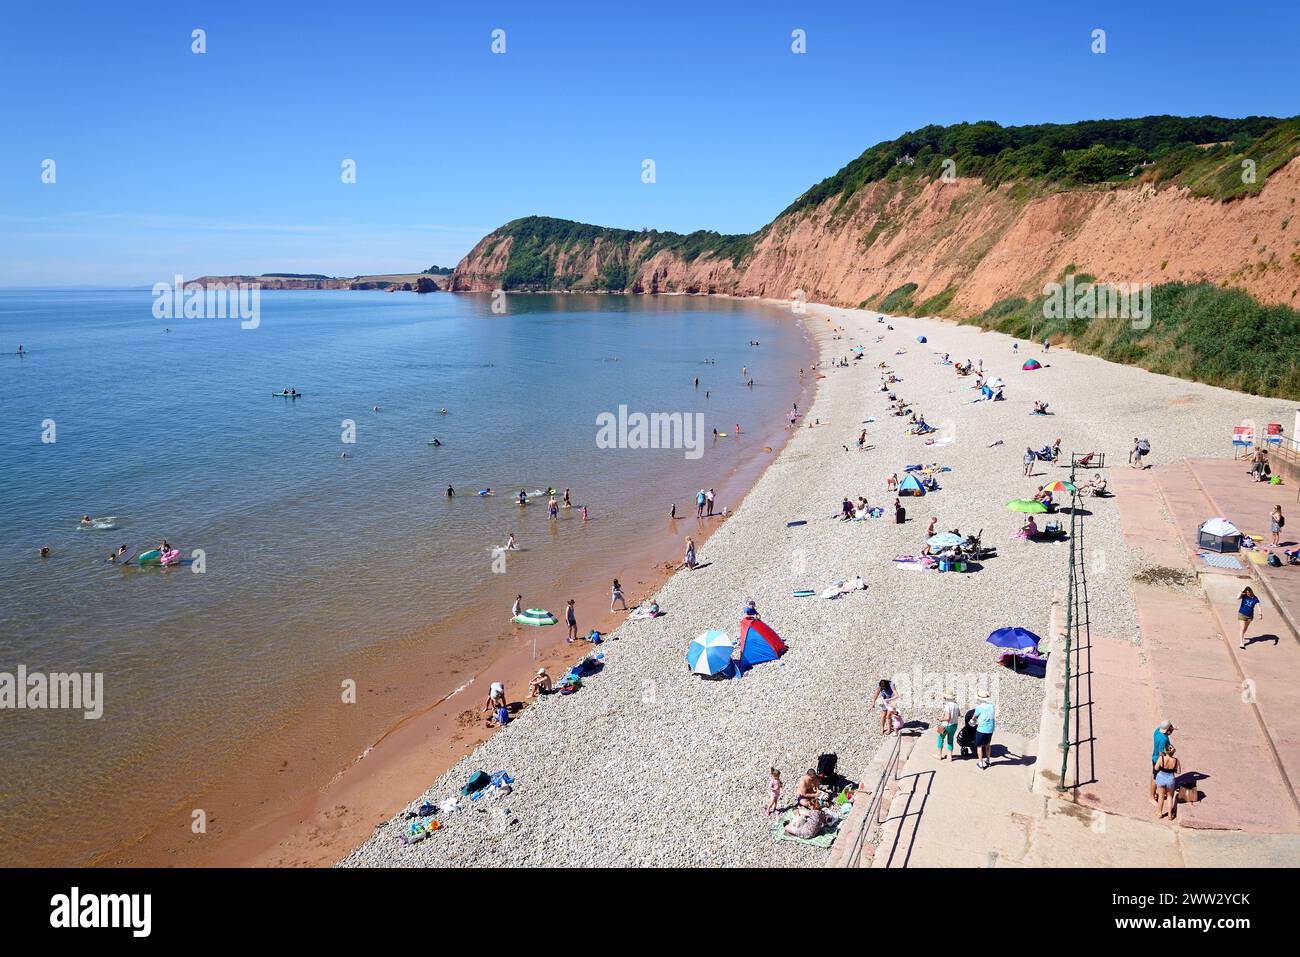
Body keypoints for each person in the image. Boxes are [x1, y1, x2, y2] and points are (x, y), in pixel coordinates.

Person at [1154, 743, 1180, 821]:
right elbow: (1178, 772)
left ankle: (1159, 813)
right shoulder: (1176, 760)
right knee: (1169, 797)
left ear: (1165, 751)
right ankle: (1169, 814)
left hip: (1161, 778)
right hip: (1170, 779)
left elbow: (1156, 768)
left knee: (1161, 796)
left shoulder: (1161, 758)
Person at [1150, 719, 1174, 803]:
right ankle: (1152, 797)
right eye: (1171, 730)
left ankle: (1154, 794)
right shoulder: (1164, 739)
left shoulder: (1157, 731)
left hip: (1154, 757)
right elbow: (1161, 752)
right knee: (1155, 778)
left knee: (1154, 776)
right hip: (1158, 760)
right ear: (1168, 731)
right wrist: (1168, 758)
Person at [973, 689, 996, 769]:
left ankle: (981, 763)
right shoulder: (992, 706)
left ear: (979, 699)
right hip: (990, 729)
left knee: (979, 746)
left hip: (982, 729)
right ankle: (988, 761)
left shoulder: (979, 707)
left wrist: (974, 720)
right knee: (988, 745)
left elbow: (974, 717)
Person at [936, 689, 960, 760]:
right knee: (950, 739)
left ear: (946, 698)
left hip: (946, 725)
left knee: (940, 738)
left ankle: (939, 755)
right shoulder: (956, 705)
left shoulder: (947, 705)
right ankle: (950, 756)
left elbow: (947, 718)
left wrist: (940, 719)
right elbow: (959, 714)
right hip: (954, 725)